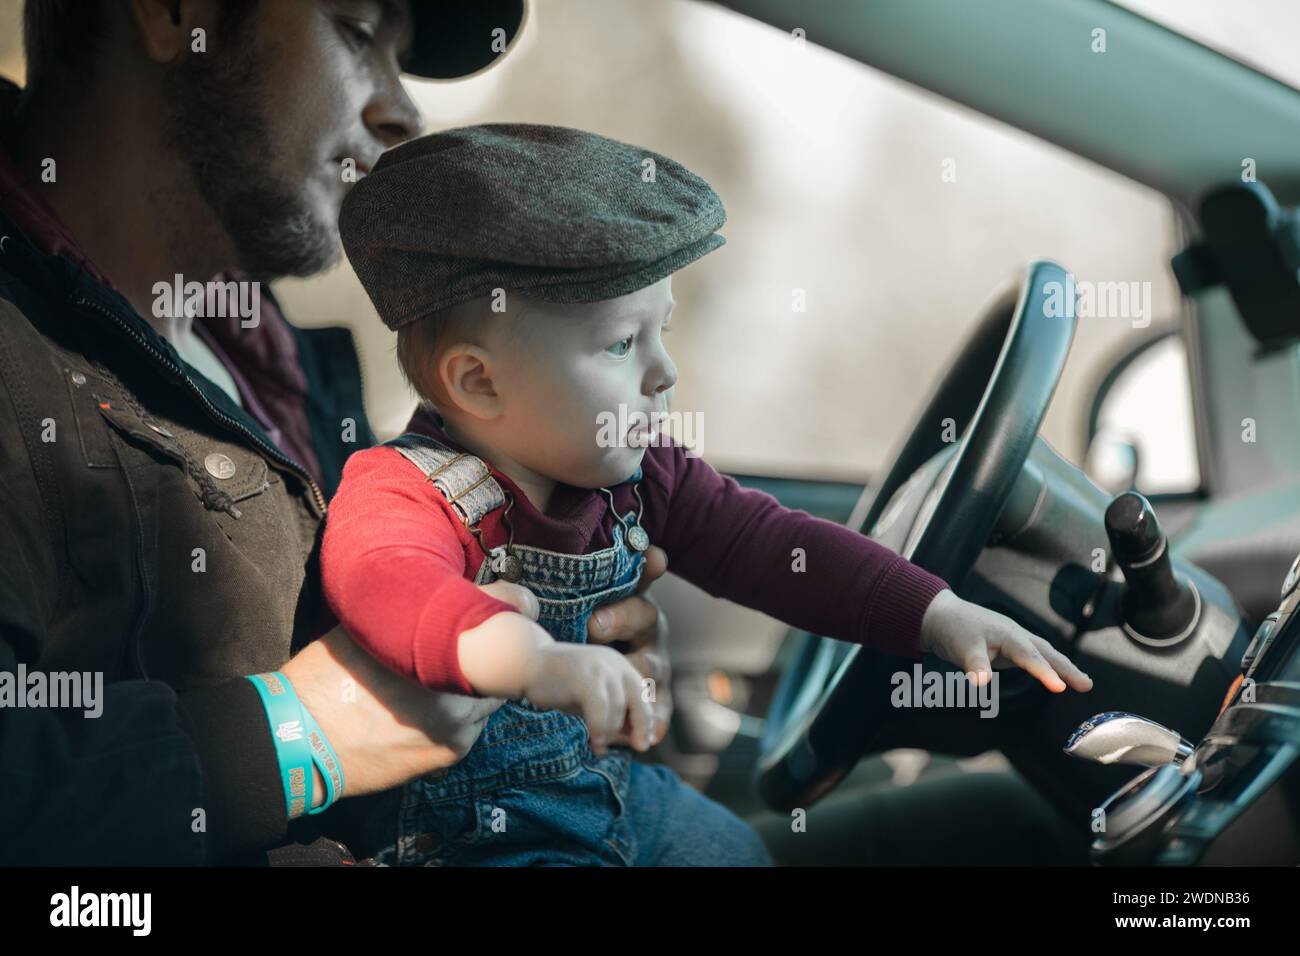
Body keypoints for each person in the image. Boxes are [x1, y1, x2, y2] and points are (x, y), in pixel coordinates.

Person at [0, 0, 670, 866]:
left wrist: (571, 643)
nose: (403, 110)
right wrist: (298, 734)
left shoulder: (263, 354)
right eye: (357, 31)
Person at [320, 124, 1094, 865]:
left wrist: (935, 612)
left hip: (616, 795)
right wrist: (533, 661)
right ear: (478, 381)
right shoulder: (405, 492)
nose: (665, 372)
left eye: (664, 332)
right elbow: (390, 586)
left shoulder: (640, 474)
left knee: (733, 850)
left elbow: (770, 545)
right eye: (623, 344)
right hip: (482, 840)